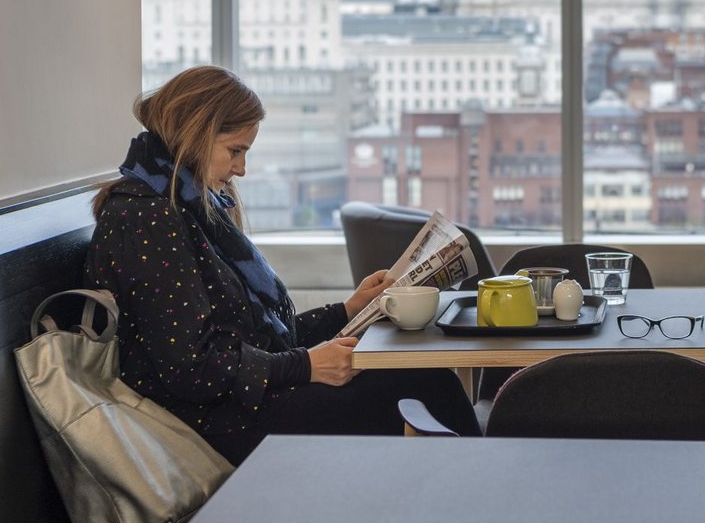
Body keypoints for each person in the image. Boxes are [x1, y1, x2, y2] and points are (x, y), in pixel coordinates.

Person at [86, 65, 480, 464]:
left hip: (241, 403)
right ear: (196, 135)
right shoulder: (148, 218)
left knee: (427, 380)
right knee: (427, 387)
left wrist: (349, 310)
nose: (241, 169)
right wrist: (305, 366)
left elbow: (262, 339)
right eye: (235, 151)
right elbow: (191, 368)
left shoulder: (188, 206)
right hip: (216, 421)